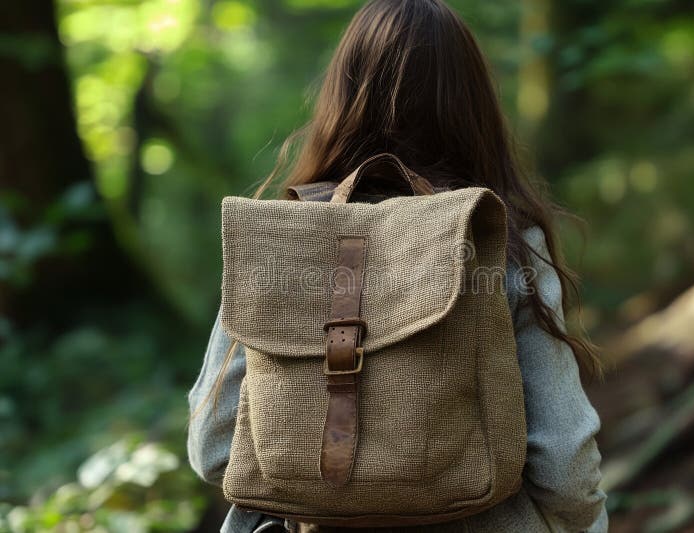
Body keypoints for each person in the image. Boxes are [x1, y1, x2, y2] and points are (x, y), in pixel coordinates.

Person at [187, 0, 607, 531]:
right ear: (472, 106)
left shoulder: (279, 241)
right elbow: (566, 468)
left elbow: (214, 449)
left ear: (339, 97)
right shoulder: (496, 239)